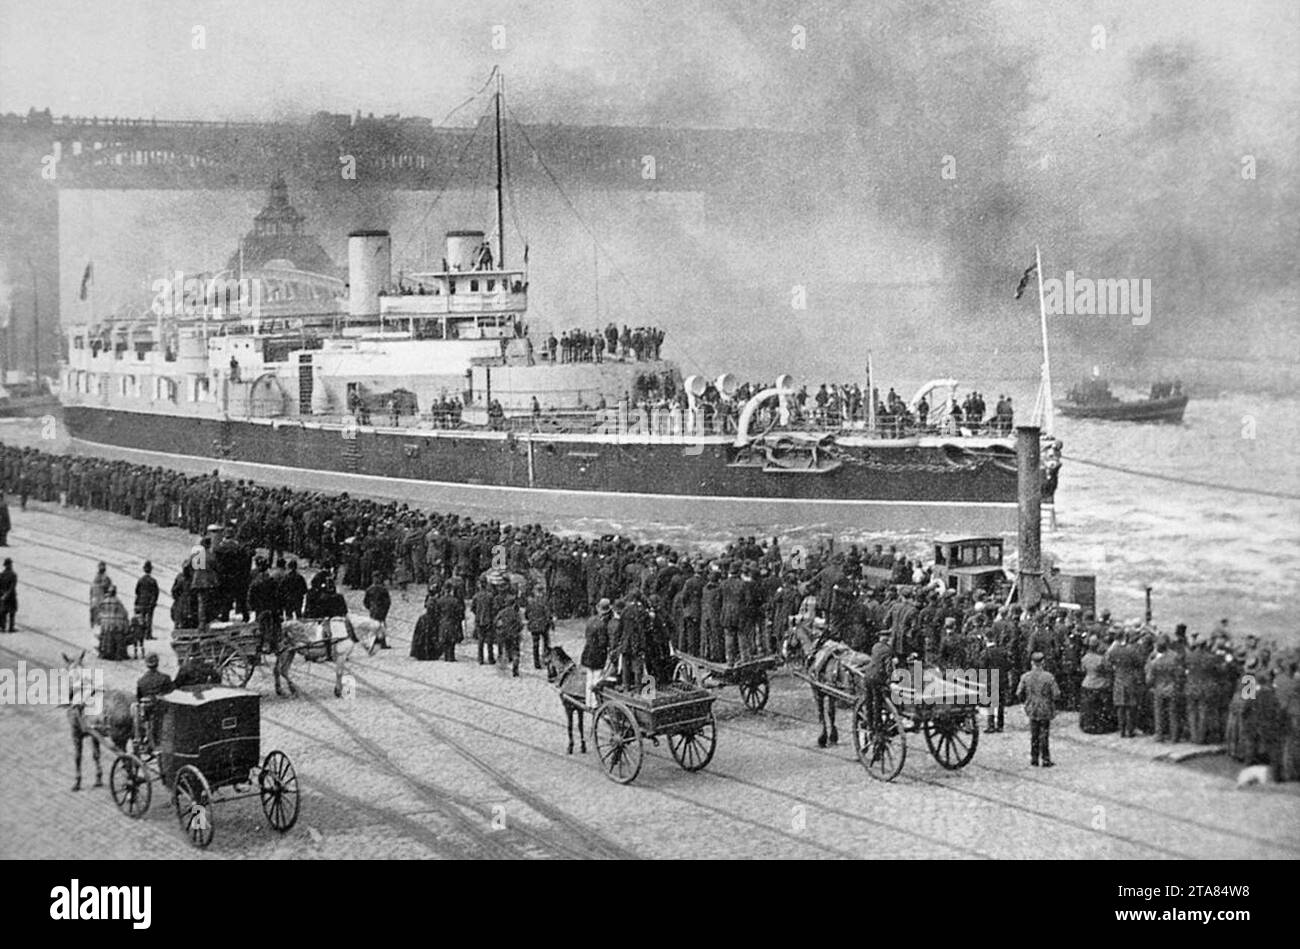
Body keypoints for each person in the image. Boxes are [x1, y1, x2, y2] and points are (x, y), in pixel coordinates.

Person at [1017, 651, 1061, 766]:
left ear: (1032, 662)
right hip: (1045, 707)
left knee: (1034, 734)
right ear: (1043, 662)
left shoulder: (1025, 676)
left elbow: (1018, 692)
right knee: (1044, 734)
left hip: (1032, 707)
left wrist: (1026, 701)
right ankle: (1046, 759)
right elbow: (1056, 694)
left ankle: (1034, 758)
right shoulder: (1049, 677)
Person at [1078, 636, 1114, 734]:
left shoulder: (1085, 658)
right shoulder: (1100, 659)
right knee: (1099, 708)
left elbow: (1082, 670)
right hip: (1099, 684)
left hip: (1087, 683)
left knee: (1088, 707)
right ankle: (1099, 727)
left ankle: (1087, 725)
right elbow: (1108, 670)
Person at [581, 598, 612, 708]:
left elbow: (586, 635)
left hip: (588, 652)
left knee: (589, 678)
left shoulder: (590, 620)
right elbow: (603, 642)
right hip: (598, 655)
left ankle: (588, 702)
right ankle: (595, 704)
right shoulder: (602, 625)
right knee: (597, 679)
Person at [97, 584, 131, 661]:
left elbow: (100, 613)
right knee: (120, 637)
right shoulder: (117, 602)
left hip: (105, 625)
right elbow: (124, 613)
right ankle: (119, 653)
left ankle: (104, 652)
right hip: (116, 625)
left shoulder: (104, 602)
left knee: (104, 637)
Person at [525, 588, 554, 671]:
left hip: (534, 627)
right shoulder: (544, 603)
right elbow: (548, 614)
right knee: (546, 643)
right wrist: (550, 622)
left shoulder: (530, 604)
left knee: (535, 645)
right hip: (543, 626)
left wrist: (531, 620)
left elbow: (526, 615)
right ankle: (545, 658)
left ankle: (536, 662)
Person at [495, 594, 523, 677]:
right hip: (514, 634)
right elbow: (520, 624)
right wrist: (518, 630)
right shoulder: (515, 613)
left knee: (506, 648)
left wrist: (500, 628)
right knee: (516, 651)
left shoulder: (502, 612)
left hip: (505, 634)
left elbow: (496, 621)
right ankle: (515, 665)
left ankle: (505, 663)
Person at [362, 576, 393, 649]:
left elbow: (387, 601)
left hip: (378, 610)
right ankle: (378, 642)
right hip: (376, 610)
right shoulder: (371, 589)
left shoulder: (380, 589)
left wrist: (383, 609)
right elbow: (366, 601)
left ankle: (379, 642)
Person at [133, 561, 159, 640]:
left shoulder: (140, 580)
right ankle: (148, 635)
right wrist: (153, 601)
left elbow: (137, 591)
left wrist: (137, 601)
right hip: (150, 602)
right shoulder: (153, 581)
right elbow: (156, 592)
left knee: (142, 618)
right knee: (149, 619)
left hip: (141, 601)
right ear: (151, 570)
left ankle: (141, 634)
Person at [89, 562, 112, 628]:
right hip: (102, 602)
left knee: (95, 616)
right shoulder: (107, 579)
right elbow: (110, 591)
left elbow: (91, 592)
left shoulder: (95, 579)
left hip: (95, 601)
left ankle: (94, 624)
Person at [0, 558, 16, 632]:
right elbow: (12, 587)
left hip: (3, 595)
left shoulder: (2, 574)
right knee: (12, 612)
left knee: (3, 612)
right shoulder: (13, 574)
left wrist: (2, 594)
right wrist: (7, 594)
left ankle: (3, 627)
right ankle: (11, 627)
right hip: (11, 596)